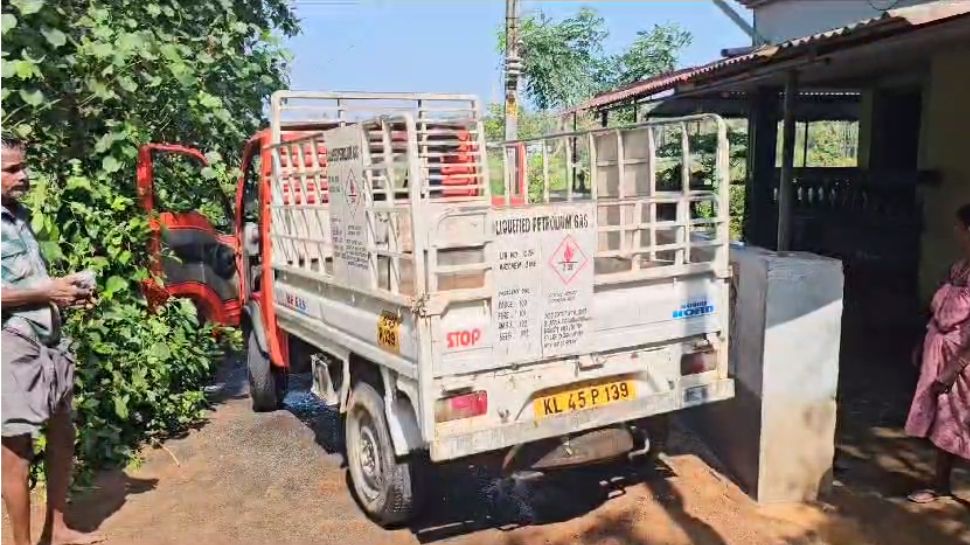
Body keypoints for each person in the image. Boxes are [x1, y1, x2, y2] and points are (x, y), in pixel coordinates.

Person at [1, 137, 103, 545]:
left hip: (47, 339)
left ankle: (56, 530)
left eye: (23, 167)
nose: (23, 176)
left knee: (63, 433)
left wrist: (67, 290)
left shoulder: (17, 216)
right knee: (16, 450)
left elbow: (27, 278)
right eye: (11, 169)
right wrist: (45, 294)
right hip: (12, 342)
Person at [905, 203, 970, 503]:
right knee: (946, 420)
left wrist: (955, 367)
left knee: (964, 421)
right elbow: (939, 309)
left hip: (962, 358)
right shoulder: (958, 267)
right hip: (943, 349)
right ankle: (940, 484)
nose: (956, 232)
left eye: (960, 227)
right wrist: (924, 343)